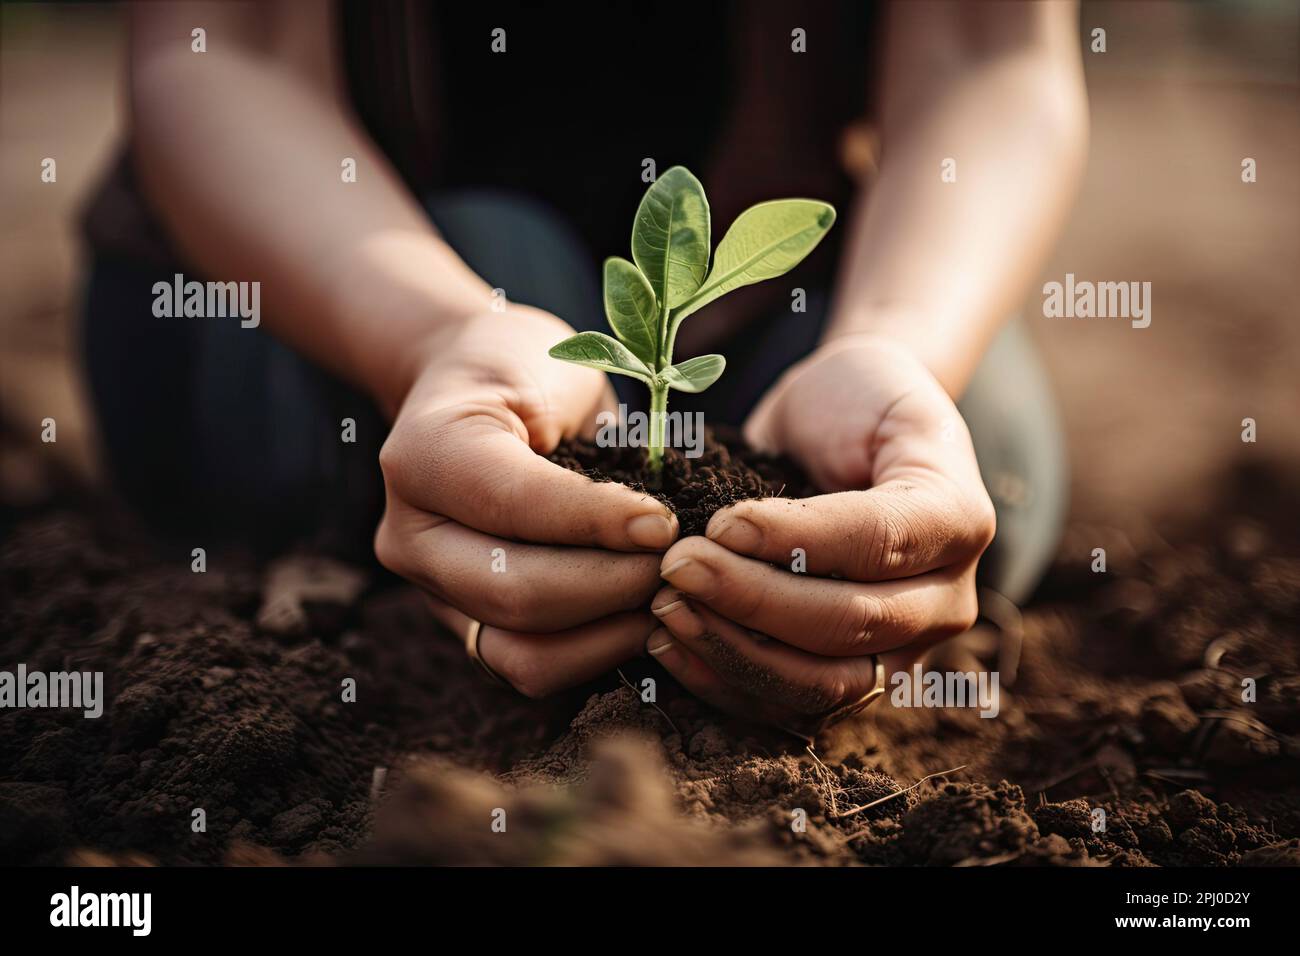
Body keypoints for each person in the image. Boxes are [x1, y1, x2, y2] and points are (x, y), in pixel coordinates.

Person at [83, 0, 1087, 731]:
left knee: (980, 452)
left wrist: (896, 343)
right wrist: (432, 338)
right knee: (504, 257)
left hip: (756, 279)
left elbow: (985, 52)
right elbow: (222, 52)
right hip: (311, 258)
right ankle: (385, 559)